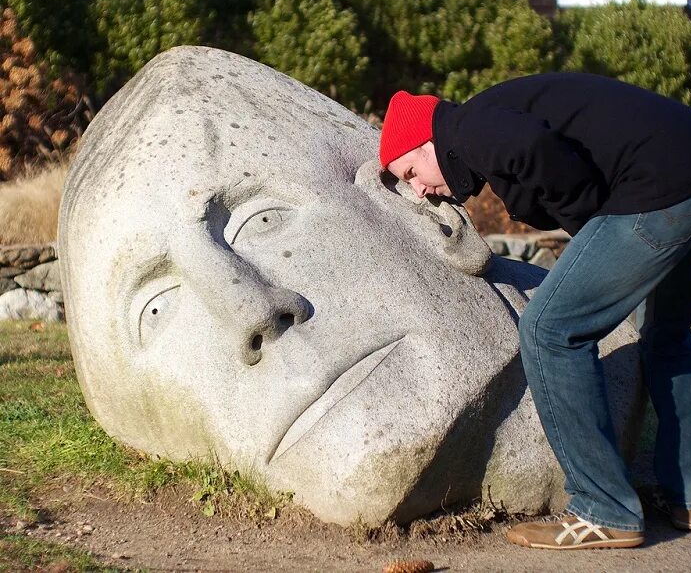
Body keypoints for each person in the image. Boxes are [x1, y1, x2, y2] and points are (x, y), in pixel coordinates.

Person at [59, 47, 645, 527]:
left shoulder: (613, 344)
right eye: (156, 307)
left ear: (421, 212)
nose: (252, 312)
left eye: (261, 220)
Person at [380, 72, 691, 549]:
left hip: (667, 189)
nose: (419, 190)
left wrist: (590, 220)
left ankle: (604, 509)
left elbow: (536, 150)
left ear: (428, 142)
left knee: (549, 329)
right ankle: (690, 495)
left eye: (411, 173)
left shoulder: (470, 127)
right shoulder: (493, 115)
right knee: (667, 332)